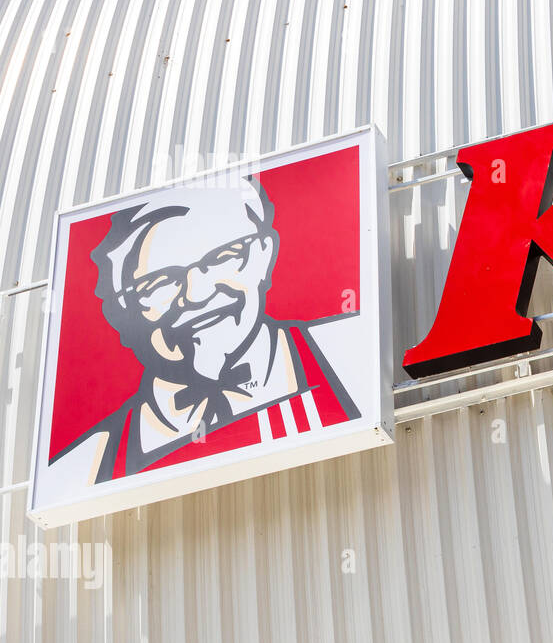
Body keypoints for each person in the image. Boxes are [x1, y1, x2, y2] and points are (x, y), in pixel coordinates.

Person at [51, 176, 358, 483]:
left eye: (223, 257)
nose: (197, 294)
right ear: (122, 314)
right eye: (158, 283)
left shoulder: (351, 361)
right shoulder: (81, 469)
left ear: (264, 255)